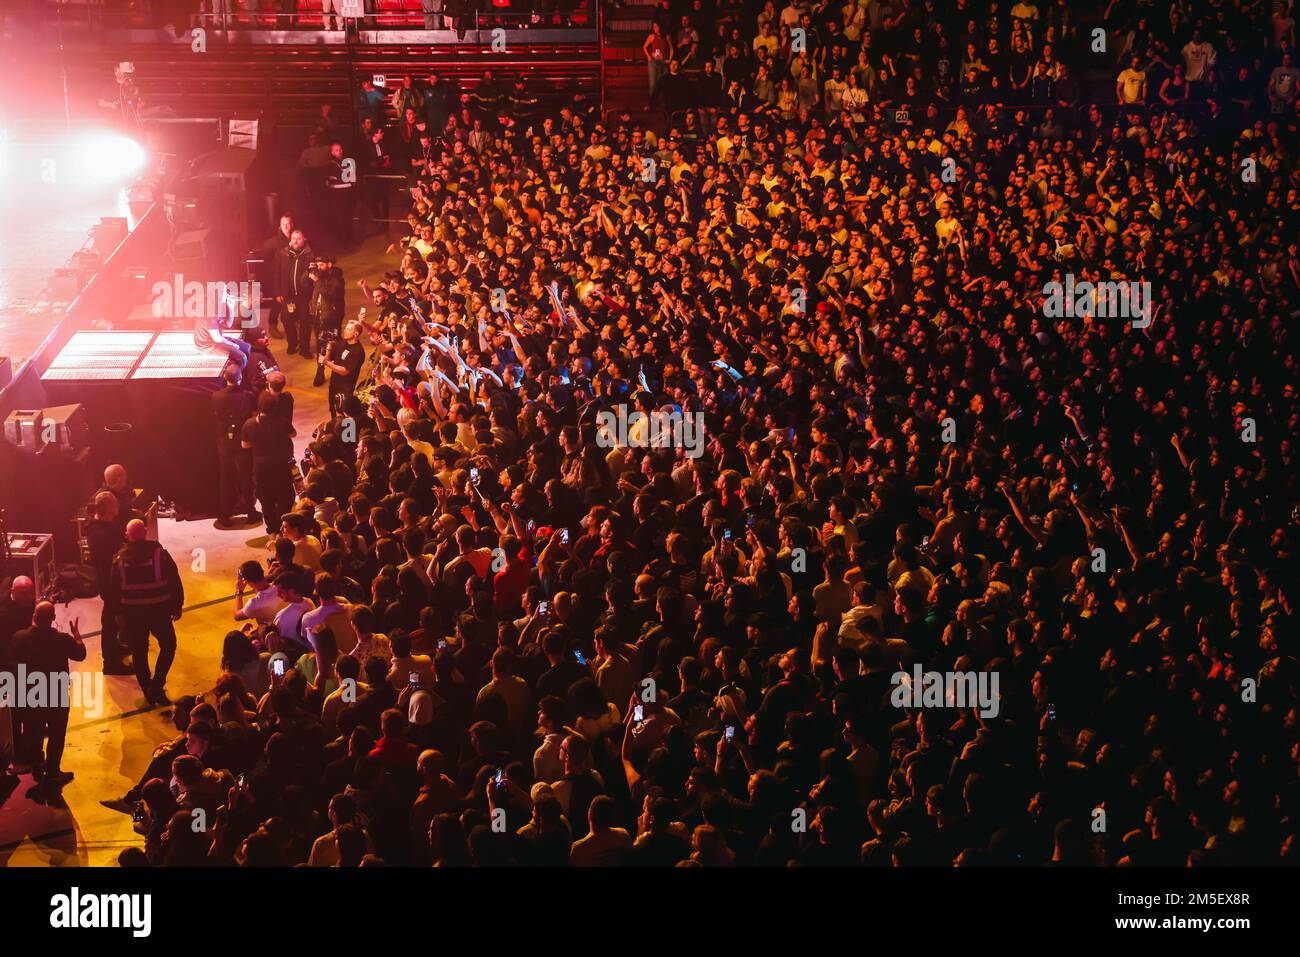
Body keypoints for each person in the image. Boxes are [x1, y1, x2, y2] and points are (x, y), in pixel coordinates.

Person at [103, 520, 184, 706]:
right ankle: (157, 686)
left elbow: (113, 590)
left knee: (139, 652)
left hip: (133, 616)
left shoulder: (119, 561)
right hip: (159, 612)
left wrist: (117, 614)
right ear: (145, 533)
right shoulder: (160, 556)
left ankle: (148, 689)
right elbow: (174, 581)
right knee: (169, 646)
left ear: (127, 535)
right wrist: (177, 605)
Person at [8, 602, 87, 783]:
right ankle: (53, 770)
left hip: (30, 694)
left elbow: (10, 663)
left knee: (33, 732)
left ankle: (36, 764)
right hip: (55, 694)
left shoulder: (18, 637)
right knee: (57, 734)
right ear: (53, 619)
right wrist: (76, 635)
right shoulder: (63, 639)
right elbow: (80, 654)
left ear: (34, 616)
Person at [83, 491, 133, 674]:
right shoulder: (103, 534)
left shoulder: (99, 527)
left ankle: (114, 650)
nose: (118, 506)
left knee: (110, 621)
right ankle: (111, 663)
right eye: (115, 504)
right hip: (111, 584)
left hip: (110, 583)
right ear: (108, 508)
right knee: (111, 621)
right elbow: (107, 567)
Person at [242, 391, 298, 536]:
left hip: (261, 467)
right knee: (285, 495)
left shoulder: (249, 424)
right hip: (281, 465)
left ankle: (272, 529)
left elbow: (245, 445)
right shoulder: (282, 422)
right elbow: (293, 434)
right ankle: (284, 526)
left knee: (266, 498)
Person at [212, 367, 257, 528]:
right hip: (243, 439)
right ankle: (250, 511)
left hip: (225, 440)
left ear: (225, 377)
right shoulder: (248, 396)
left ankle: (224, 514)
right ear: (240, 378)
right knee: (245, 476)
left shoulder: (216, 397)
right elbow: (253, 416)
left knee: (226, 478)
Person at [271, 229, 315, 355]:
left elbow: (313, 276)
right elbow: (276, 274)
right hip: (288, 296)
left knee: (305, 323)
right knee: (286, 320)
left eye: (298, 238)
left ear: (304, 240)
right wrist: (277, 292)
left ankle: (305, 348)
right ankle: (292, 343)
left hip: (304, 297)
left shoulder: (309, 255)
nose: (295, 241)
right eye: (294, 238)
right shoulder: (283, 254)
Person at [323, 319, 366, 416]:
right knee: (333, 410)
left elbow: (345, 371)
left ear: (356, 334)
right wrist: (328, 348)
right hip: (334, 385)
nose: (345, 331)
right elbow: (329, 358)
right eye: (346, 328)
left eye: (349, 329)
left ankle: (346, 431)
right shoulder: (342, 343)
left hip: (345, 389)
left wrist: (328, 364)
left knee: (344, 414)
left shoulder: (358, 352)